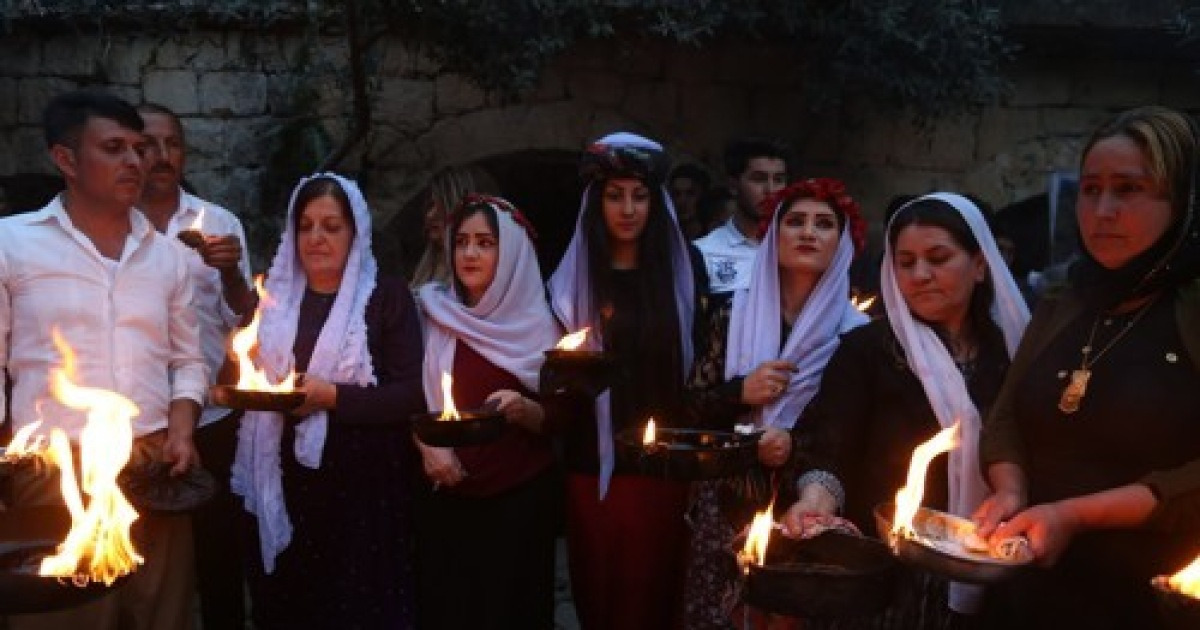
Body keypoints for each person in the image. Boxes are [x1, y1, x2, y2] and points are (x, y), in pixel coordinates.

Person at [977, 106, 1200, 629]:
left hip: (1146, 598)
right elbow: (1006, 416)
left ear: (1182, 201)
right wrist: (1010, 490)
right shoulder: (1064, 298)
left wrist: (1075, 516)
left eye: (1128, 190)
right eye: (1091, 188)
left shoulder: (1193, 309)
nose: (1102, 209)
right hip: (1027, 592)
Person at [0, 89, 208, 630]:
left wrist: (182, 432)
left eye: (138, 149)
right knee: (62, 618)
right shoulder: (12, 245)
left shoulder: (169, 257)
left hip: (154, 467)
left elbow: (189, 360)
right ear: (66, 160)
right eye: (114, 148)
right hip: (52, 470)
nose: (136, 162)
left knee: (162, 615)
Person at [786, 193, 1030, 628]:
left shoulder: (1012, 354)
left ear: (979, 264)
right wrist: (814, 498)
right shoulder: (867, 352)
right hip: (887, 575)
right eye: (906, 262)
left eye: (938, 258)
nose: (920, 275)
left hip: (992, 568)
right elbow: (828, 448)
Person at [232, 173, 425, 629]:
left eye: (331, 227)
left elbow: (412, 393)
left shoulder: (384, 299)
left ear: (354, 232)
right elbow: (245, 374)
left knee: (356, 606)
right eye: (306, 225)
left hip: (362, 487)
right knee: (293, 604)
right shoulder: (273, 302)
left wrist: (334, 397)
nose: (316, 238)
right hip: (285, 479)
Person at [681, 178, 869, 628]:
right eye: (796, 221)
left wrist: (792, 443)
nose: (808, 232)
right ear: (773, 236)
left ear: (842, 244)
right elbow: (688, 409)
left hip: (807, 506)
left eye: (824, 224)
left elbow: (852, 428)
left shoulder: (857, 334)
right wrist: (738, 393)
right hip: (728, 498)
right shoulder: (729, 313)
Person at [546, 131, 702, 629]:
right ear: (597, 203)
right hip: (594, 466)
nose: (629, 209)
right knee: (601, 593)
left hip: (662, 468)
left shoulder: (684, 272)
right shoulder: (572, 278)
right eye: (616, 196)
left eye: (640, 196)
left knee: (653, 597)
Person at [413, 194, 562, 629]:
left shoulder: (544, 328)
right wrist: (427, 446)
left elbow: (564, 415)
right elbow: (408, 395)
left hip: (516, 505)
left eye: (485, 242)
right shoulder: (433, 312)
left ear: (512, 253)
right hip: (445, 499)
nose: (470, 253)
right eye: (461, 242)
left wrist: (526, 410)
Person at [136, 101, 255, 630]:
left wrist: (230, 278)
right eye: (148, 144)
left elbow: (249, 318)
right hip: (137, 426)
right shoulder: (113, 225)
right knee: (141, 562)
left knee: (220, 557)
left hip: (212, 421)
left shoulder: (220, 223)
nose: (162, 156)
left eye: (173, 144)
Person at [694, 137, 793, 294]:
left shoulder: (798, 248)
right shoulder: (704, 251)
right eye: (759, 179)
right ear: (733, 185)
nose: (771, 190)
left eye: (779, 180)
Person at [410, 166, 479, 289]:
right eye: (430, 205)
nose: (430, 215)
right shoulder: (426, 264)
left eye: (442, 204)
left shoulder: (478, 266)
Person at [668, 163, 711, 240]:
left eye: (690, 194)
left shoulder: (712, 237)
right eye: (676, 194)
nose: (682, 201)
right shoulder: (664, 238)